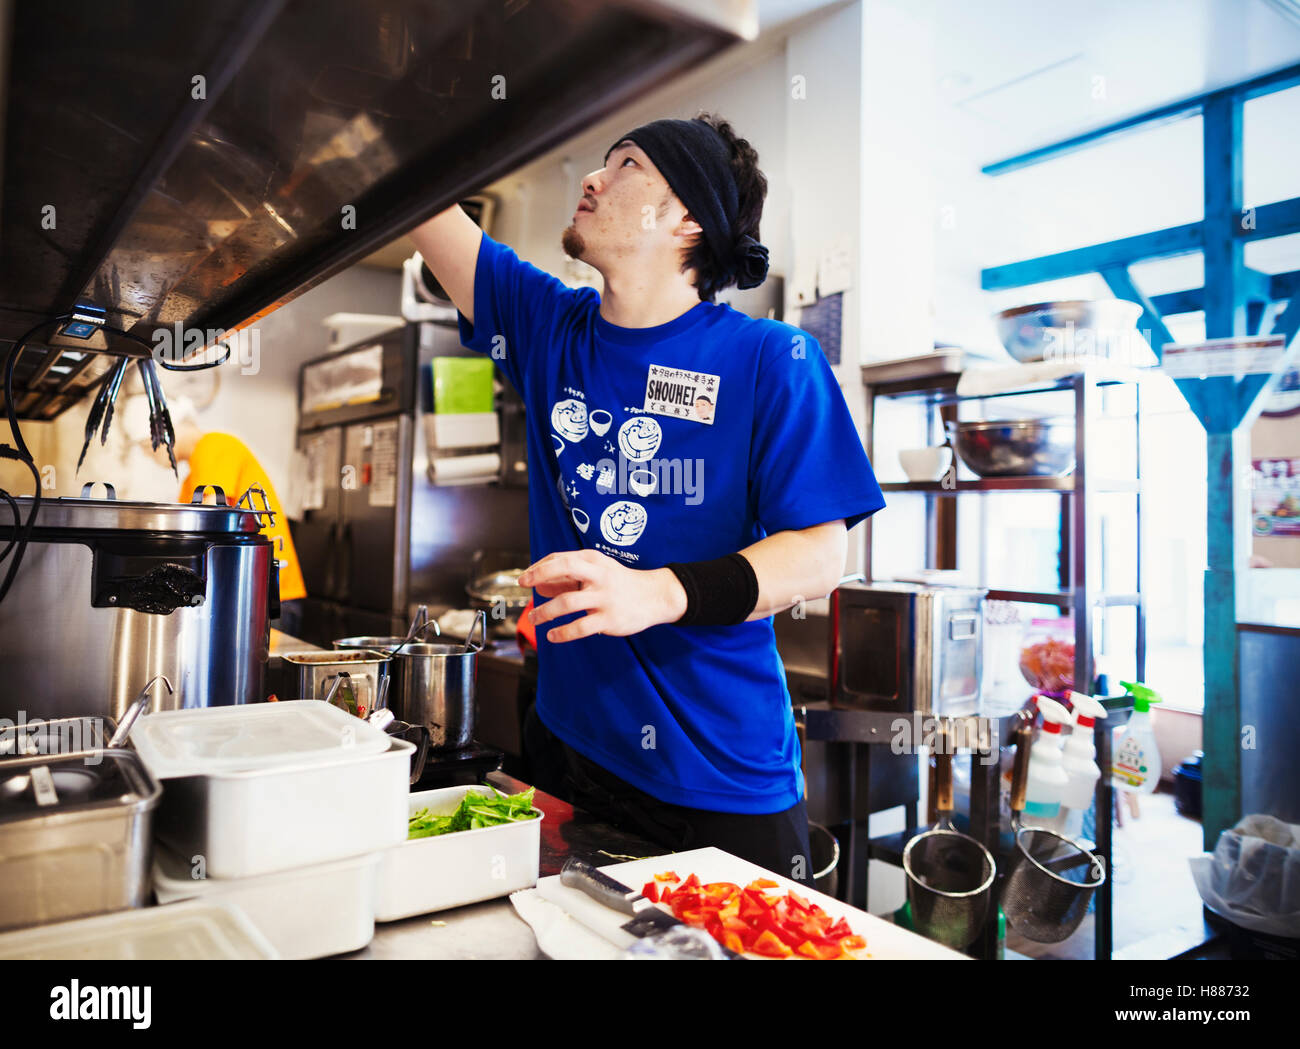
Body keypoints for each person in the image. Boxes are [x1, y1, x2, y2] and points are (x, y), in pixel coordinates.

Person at [409, 114, 884, 884]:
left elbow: (822, 553)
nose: (591, 179)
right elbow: (423, 209)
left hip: (717, 778)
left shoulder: (770, 358)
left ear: (687, 217)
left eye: (625, 164)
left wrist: (656, 592)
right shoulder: (548, 327)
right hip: (571, 746)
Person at [173, 420, 307, 604]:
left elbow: (212, 518)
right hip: (247, 590)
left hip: (263, 593)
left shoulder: (213, 444)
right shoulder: (192, 476)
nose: (150, 452)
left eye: (146, 444)